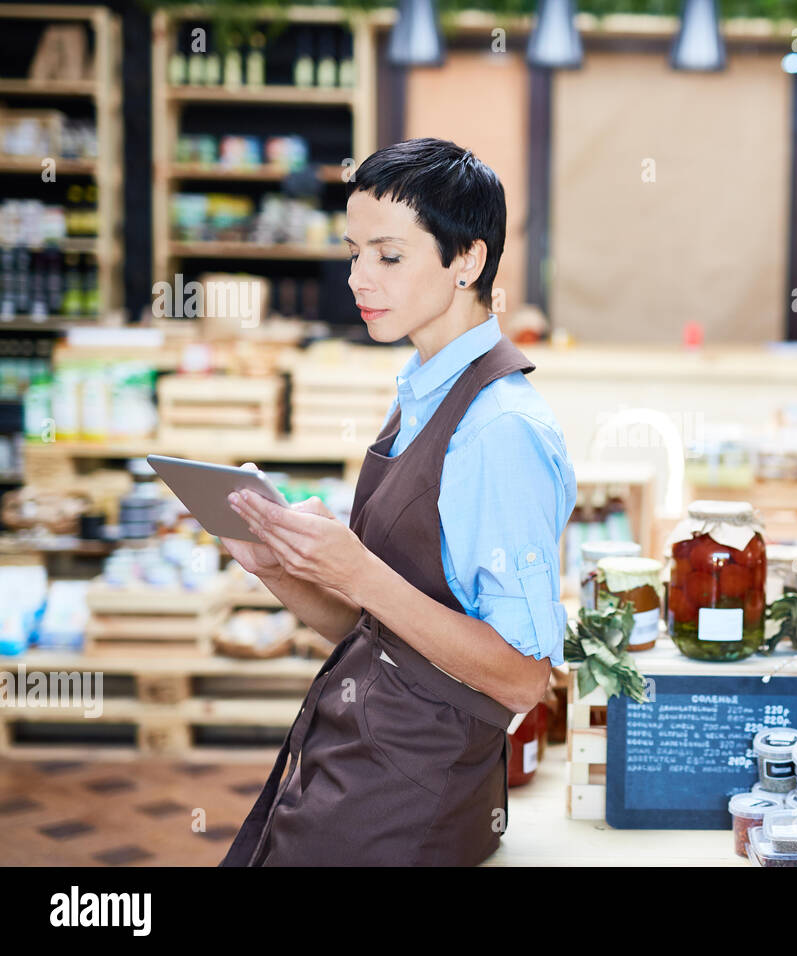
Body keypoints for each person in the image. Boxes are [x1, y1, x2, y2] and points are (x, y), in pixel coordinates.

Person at [218, 137, 577, 866]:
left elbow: (521, 678)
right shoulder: (422, 396)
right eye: (353, 253)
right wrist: (278, 567)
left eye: (388, 256)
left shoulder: (498, 430)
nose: (358, 278)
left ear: (467, 261)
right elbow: (375, 631)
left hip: (407, 814)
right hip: (348, 774)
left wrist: (357, 570)